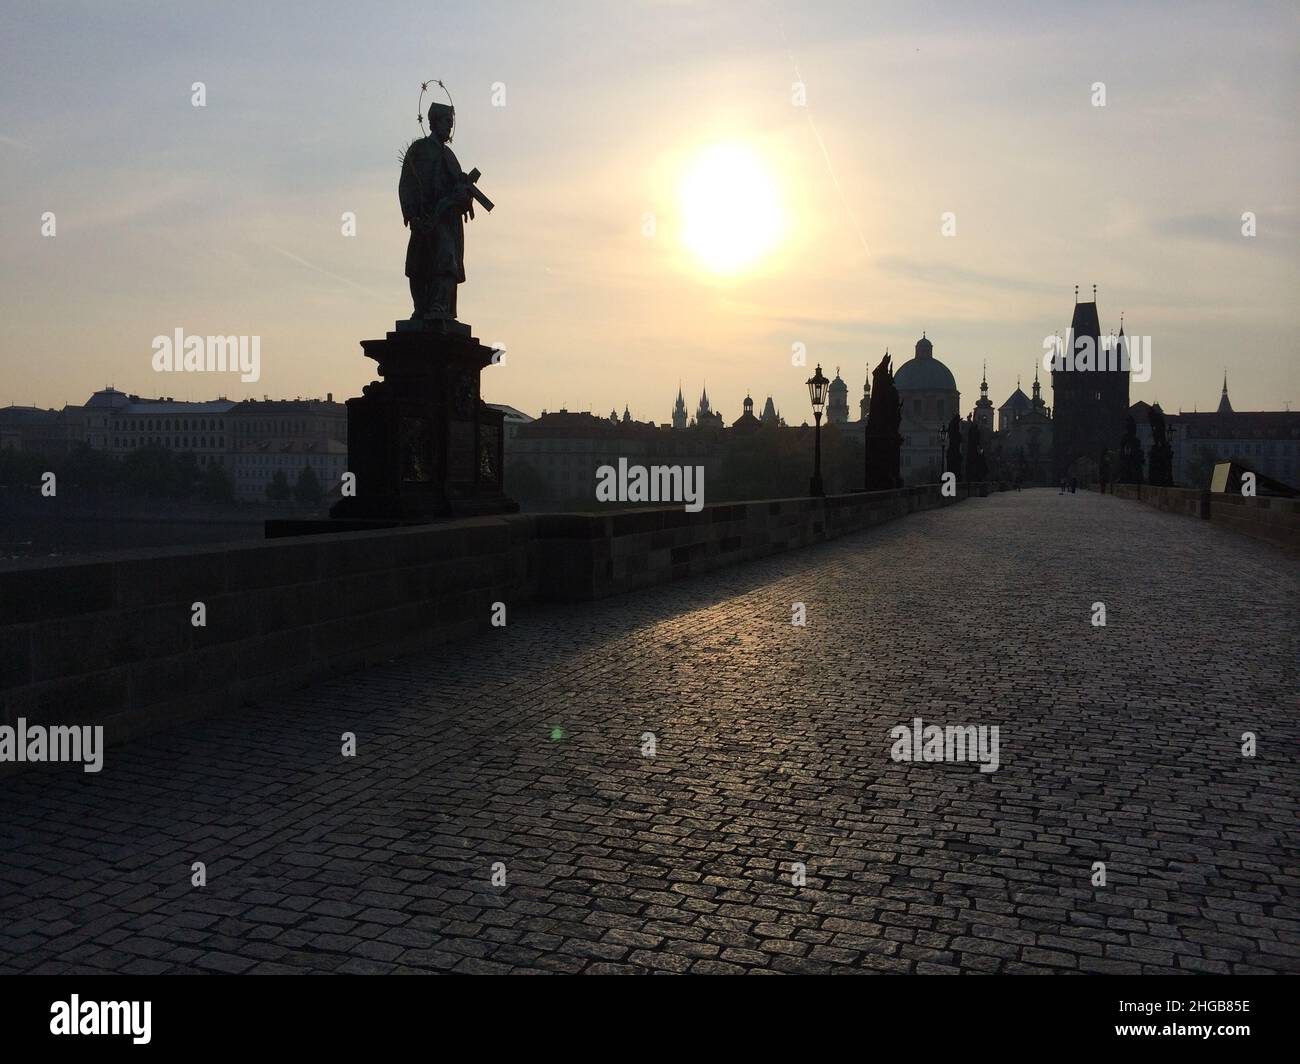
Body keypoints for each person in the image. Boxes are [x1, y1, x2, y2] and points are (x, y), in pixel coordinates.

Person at [400, 102, 475, 320]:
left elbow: (460, 189)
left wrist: (465, 199)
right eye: (446, 122)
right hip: (425, 217)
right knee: (419, 264)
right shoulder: (419, 149)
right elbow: (407, 182)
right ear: (434, 122)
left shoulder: (450, 157)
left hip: (446, 220)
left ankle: (440, 307)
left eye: (451, 124)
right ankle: (422, 307)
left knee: (446, 260)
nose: (449, 128)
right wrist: (411, 212)